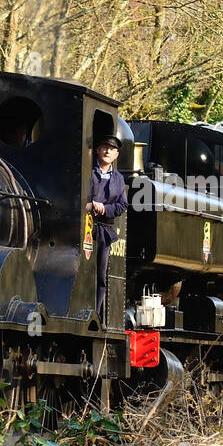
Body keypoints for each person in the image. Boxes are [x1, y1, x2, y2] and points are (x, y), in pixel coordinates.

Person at [88, 134, 128, 318]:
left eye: (111, 149)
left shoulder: (119, 179)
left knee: (101, 274)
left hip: (104, 229)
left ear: (116, 155)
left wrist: (104, 208)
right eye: (104, 147)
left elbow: (122, 205)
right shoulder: (88, 170)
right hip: (85, 226)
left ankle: (95, 312)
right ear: (97, 150)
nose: (107, 151)